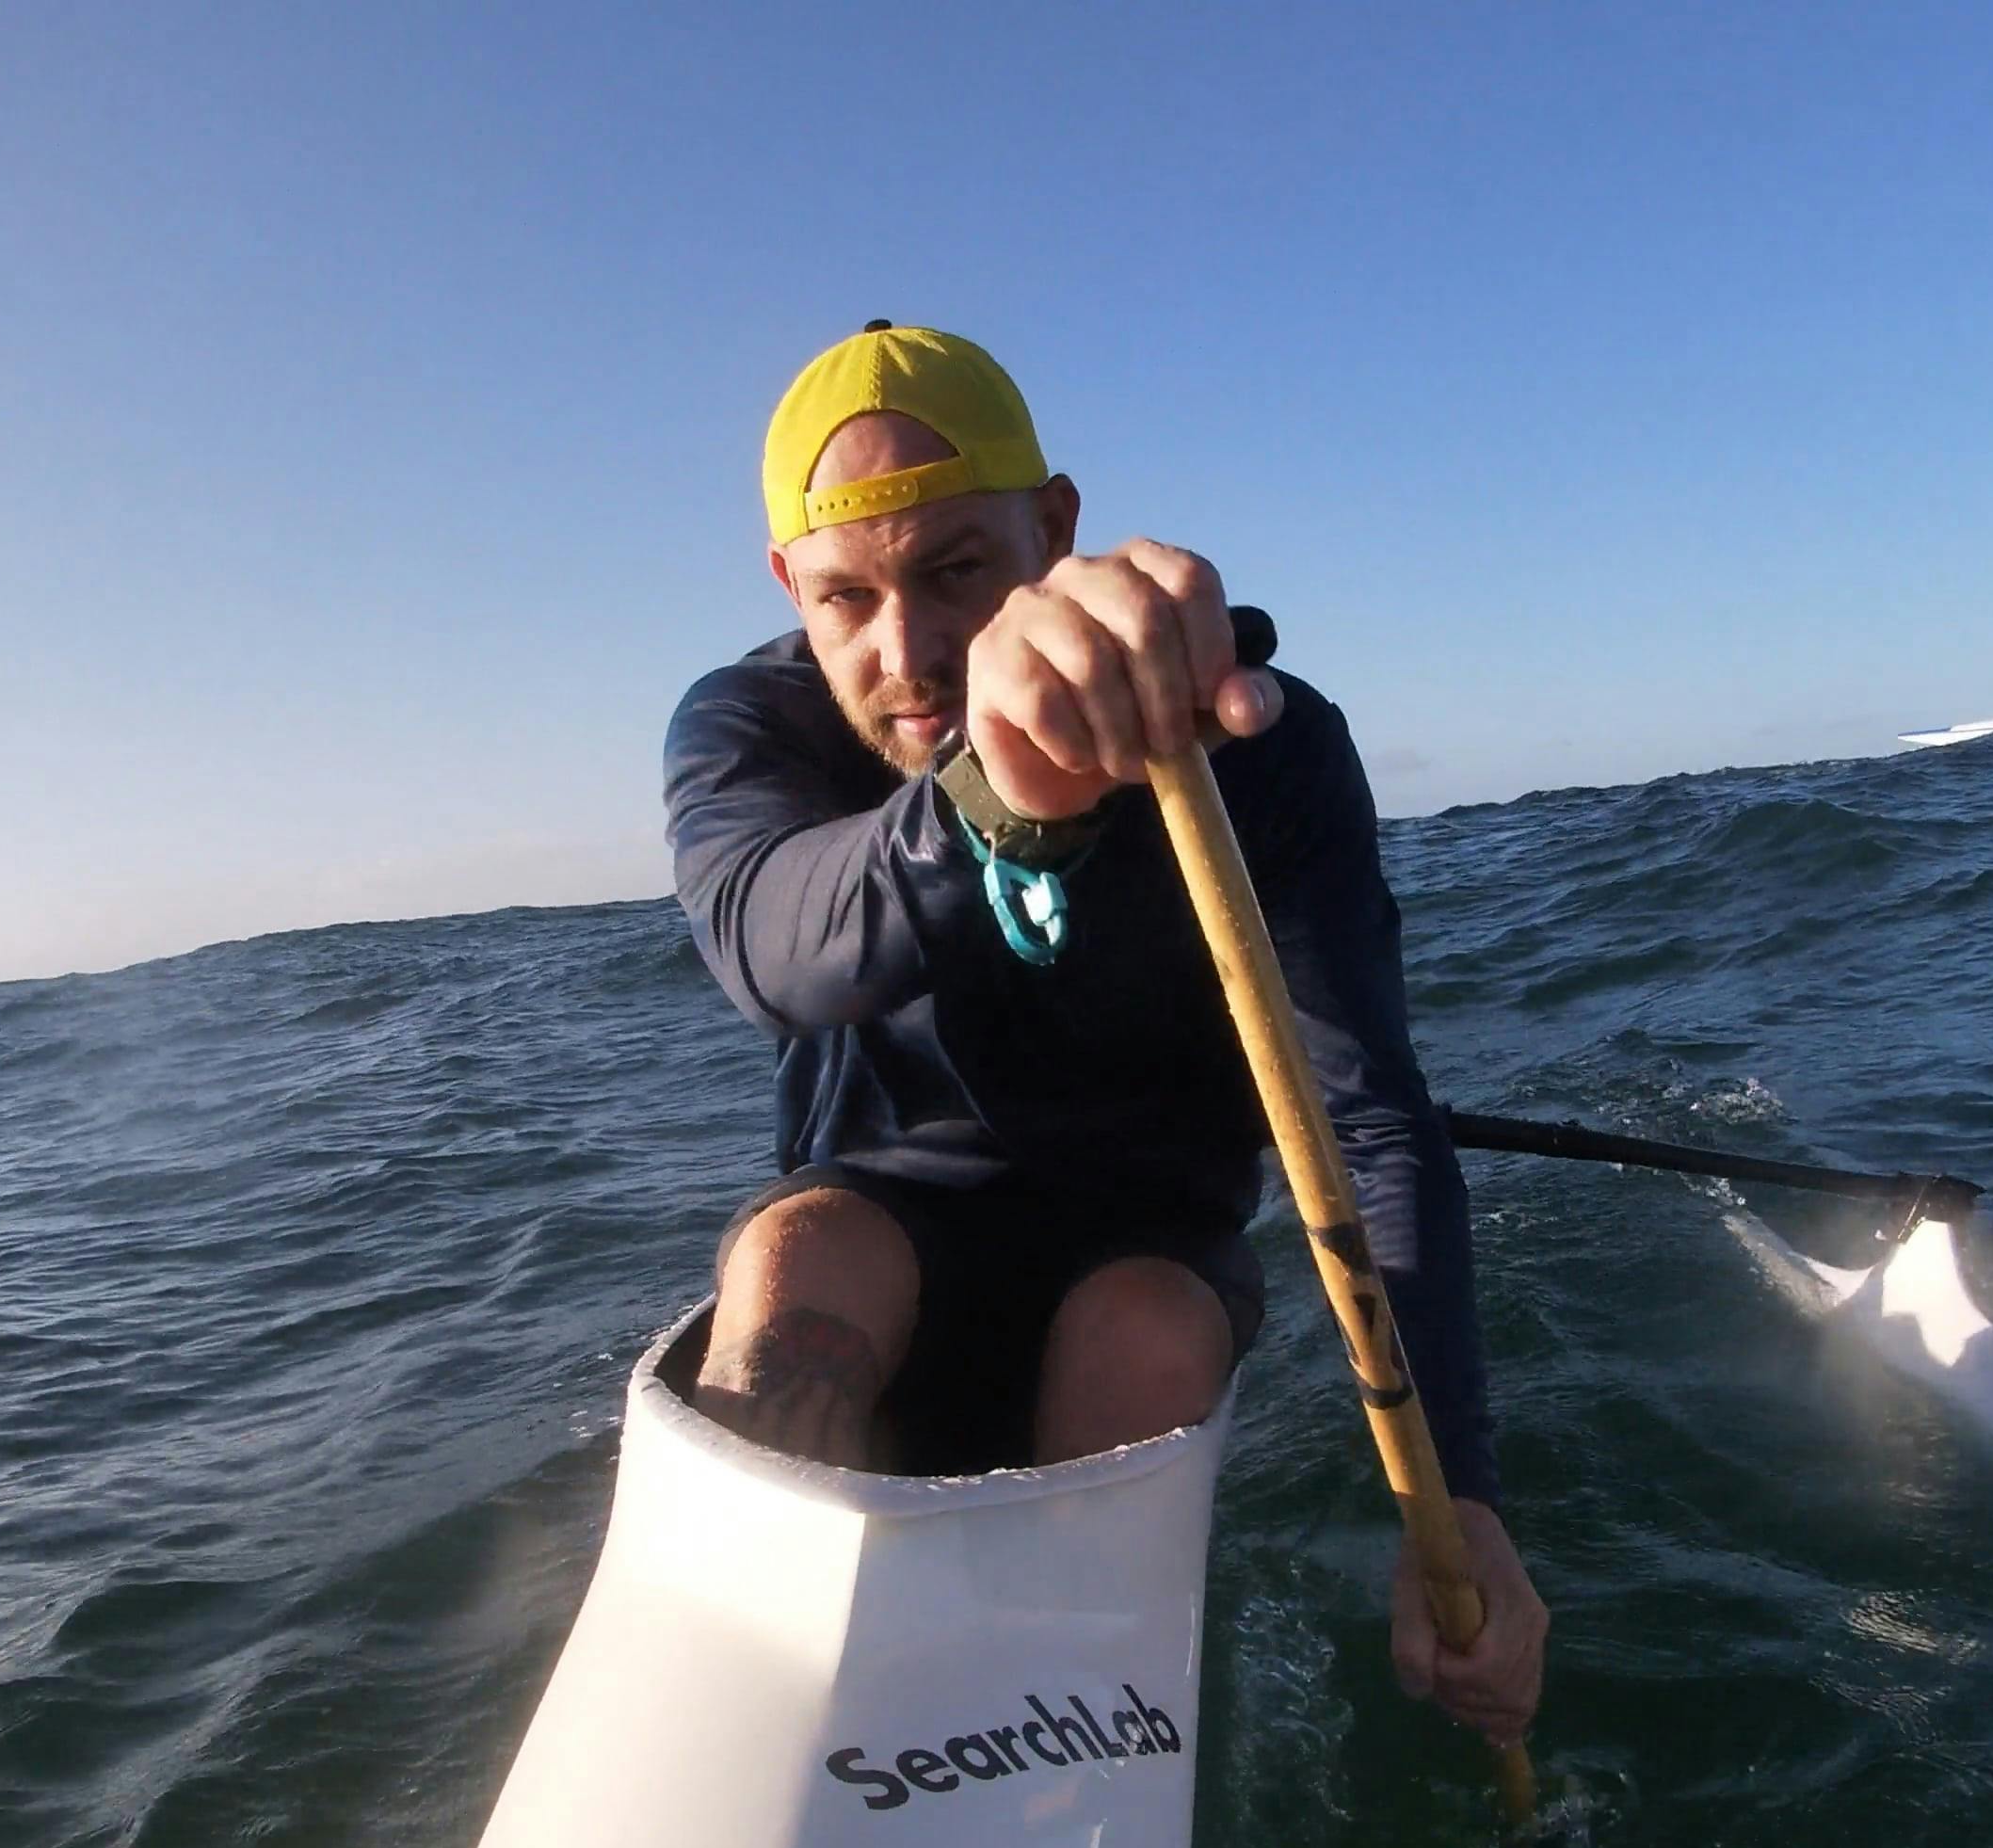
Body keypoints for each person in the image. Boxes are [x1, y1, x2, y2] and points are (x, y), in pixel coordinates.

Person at [662, 323, 1544, 1747]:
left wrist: (1465, 1505)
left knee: (1141, 1339)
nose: (908, 654)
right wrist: (996, 797)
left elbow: (1370, 1122)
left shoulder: (1264, 747)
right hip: (876, 1215)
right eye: (846, 598)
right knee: (798, 1263)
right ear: (787, 587)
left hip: (1147, 1245)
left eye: (958, 569)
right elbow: (771, 945)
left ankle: (1073, 1749)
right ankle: (726, 1727)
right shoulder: (749, 724)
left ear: (1054, 527)